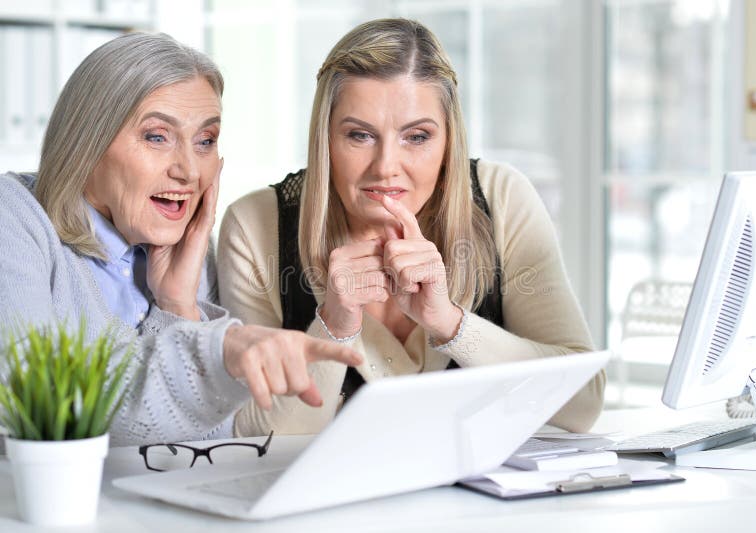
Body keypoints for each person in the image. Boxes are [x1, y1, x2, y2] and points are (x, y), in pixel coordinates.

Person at [218, 18, 605, 436]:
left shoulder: (502, 197)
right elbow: (258, 442)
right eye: (359, 135)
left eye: (417, 137)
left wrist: (451, 323)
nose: (386, 167)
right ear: (324, 139)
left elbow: (583, 404)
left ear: (449, 141)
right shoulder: (256, 226)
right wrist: (334, 327)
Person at [0, 32, 361, 446]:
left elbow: (207, 448)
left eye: (205, 141)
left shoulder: (187, 251)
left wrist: (177, 307)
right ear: (86, 141)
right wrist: (214, 351)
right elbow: (39, 402)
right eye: (157, 136)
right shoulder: (14, 214)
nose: (189, 171)